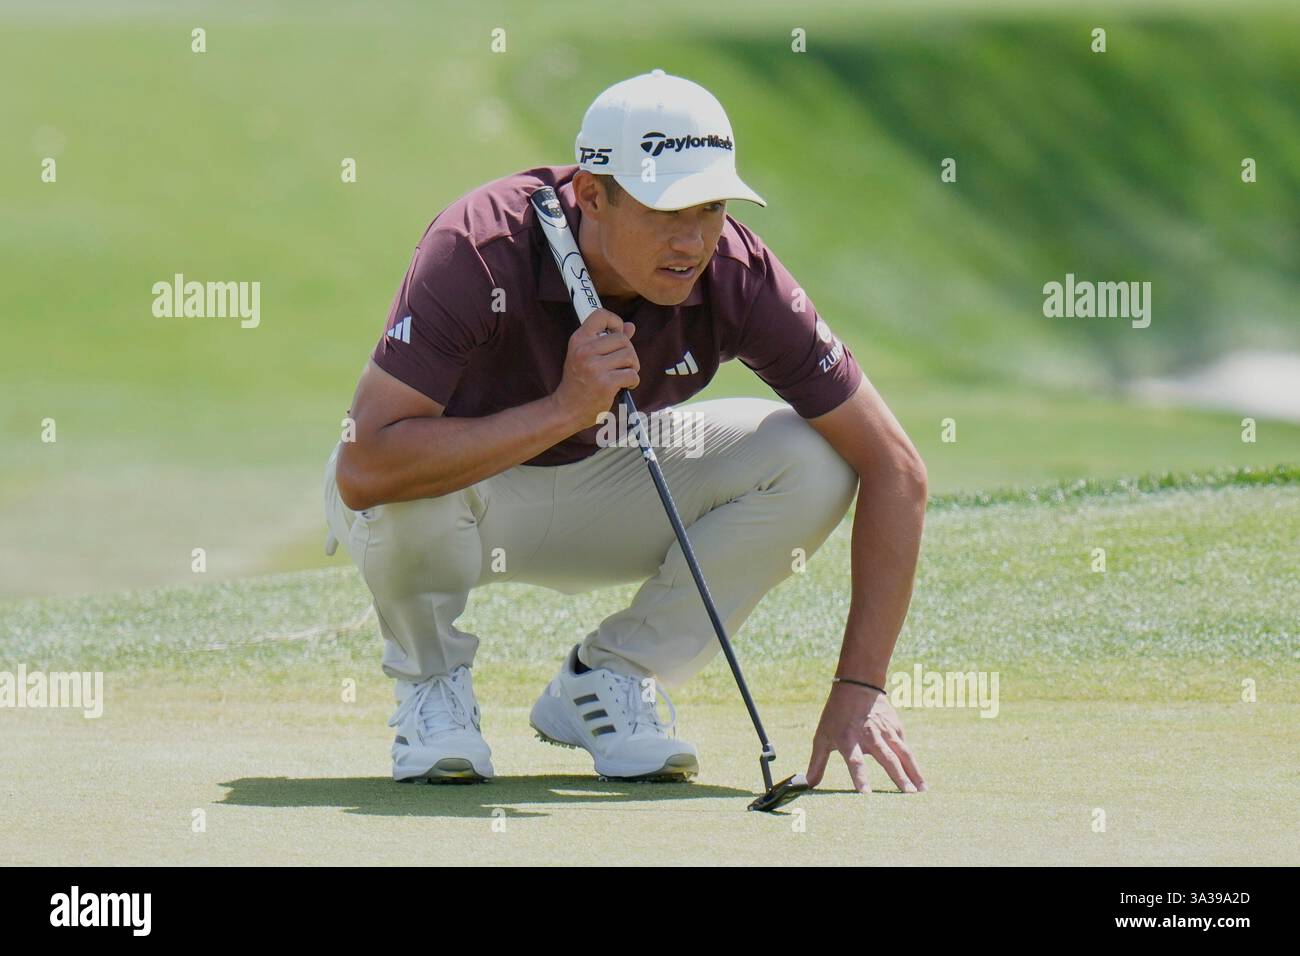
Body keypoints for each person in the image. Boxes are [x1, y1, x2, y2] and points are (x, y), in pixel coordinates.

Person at [323, 69, 928, 795]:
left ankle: (607, 680)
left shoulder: (733, 270)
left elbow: (897, 467)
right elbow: (365, 466)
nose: (692, 239)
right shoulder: (480, 246)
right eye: (665, 208)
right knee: (403, 486)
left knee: (814, 459)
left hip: (605, 483)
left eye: (709, 207)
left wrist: (862, 685)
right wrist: (562, 409)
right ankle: (433, 690)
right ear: (592, 196)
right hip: (459, 499)